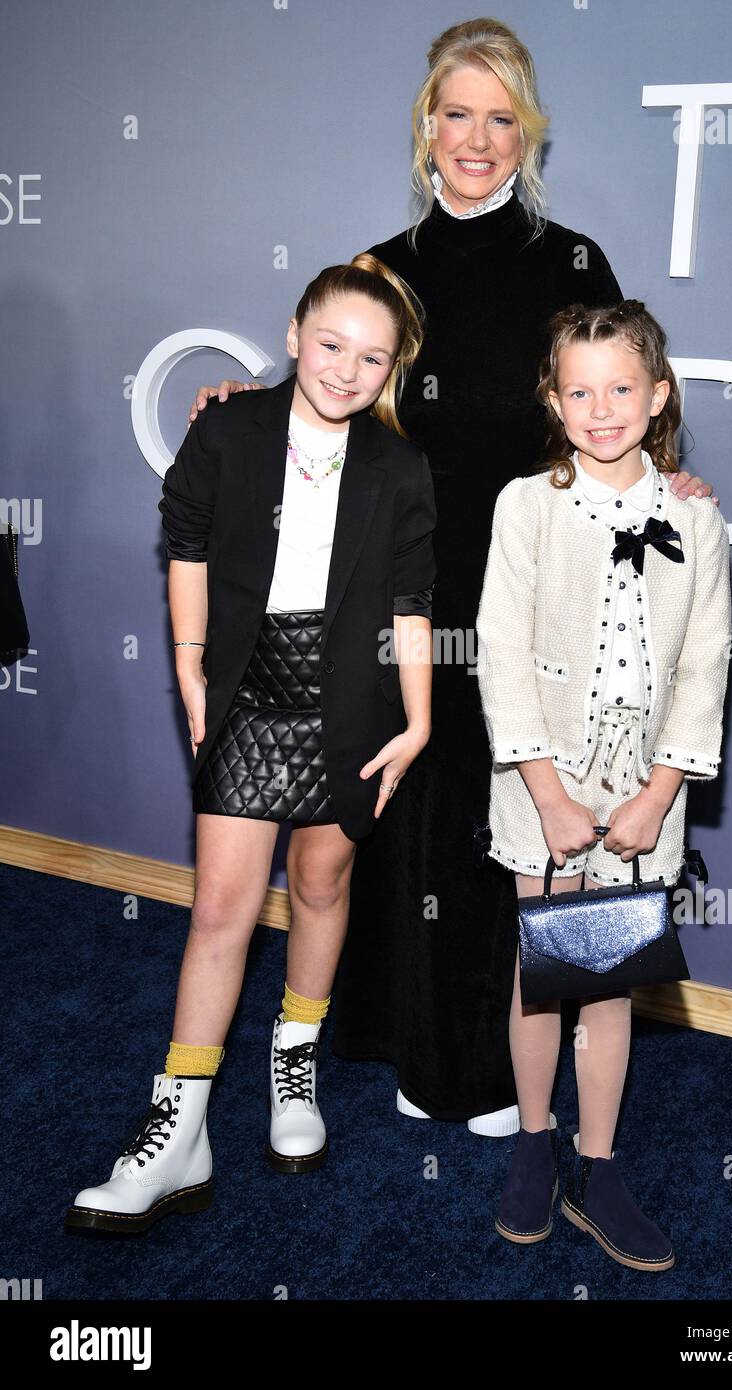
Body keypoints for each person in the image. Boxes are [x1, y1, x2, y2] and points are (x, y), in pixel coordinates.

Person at [189, 17, 717, 1134]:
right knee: (409, 821)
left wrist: (676, 482)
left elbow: (619, 392)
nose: (476, 138)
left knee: (517, 827)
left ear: (527, 134)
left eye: (500, 117)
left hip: (540, 597)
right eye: (455, 114)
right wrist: (237, 406)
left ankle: (495, 1072)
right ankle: (408, 1049)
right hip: (402, 596)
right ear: (424, 128)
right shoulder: (385, 267)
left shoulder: (572, 263)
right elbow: (325, 387)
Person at [64, 255, 436, 1234]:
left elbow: (410, 602)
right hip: (248, 694)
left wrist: (420, 719)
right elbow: (183, 538)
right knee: (221, 908)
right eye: (331, 346)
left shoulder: (398, 467)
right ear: (292, 335)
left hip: (351, 700)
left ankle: (294, 1059)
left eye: (371, 358)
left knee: (320, 885)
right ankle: (180, 1127)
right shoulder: (228, 429)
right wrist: (189, 662)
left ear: (390, 367)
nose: (347, 370)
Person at [476, 299, 732, 1267]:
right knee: (543, 972)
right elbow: (498, 651)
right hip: (541, 777)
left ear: (657, 395)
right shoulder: (525, 503)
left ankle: (600, 1163)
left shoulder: (694, 516)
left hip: (642, 788)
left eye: (621, 387)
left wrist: (659, 793)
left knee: (607, 983)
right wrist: (547, 790)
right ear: (553, 400)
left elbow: (706, 662)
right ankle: (534, 1145)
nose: (601, 407)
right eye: (578, 390)